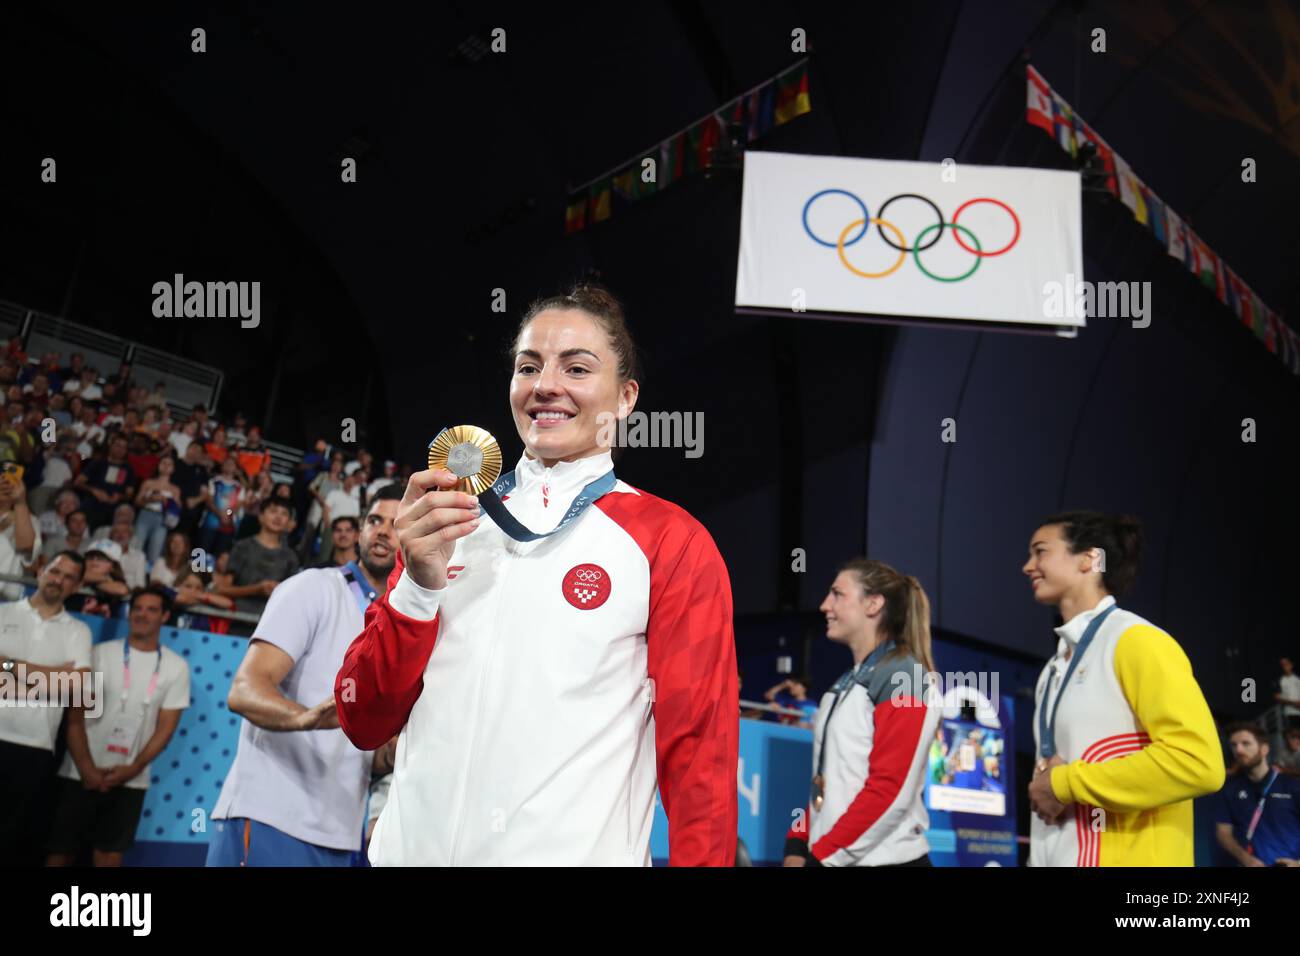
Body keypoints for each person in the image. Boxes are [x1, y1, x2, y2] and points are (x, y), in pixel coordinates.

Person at [336, 283, 738, 866]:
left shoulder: (669, 541)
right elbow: (363, 719)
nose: (546, 385)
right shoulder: (447, 521)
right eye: (529, 366)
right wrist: (417, 589)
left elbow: (700, 751)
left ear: (626, 398)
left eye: (576, 368)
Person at [207, 485, 402, 866]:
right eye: (375, 520)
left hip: (342, 835)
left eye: (397, 525)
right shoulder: (313, 587)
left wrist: (395, 751)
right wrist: (306, 717)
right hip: (269, 816)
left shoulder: (402, 624)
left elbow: (370, 755)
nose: (382, 531)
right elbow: (244, 690)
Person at [1023, 511, 1224, 866]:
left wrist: (1064, 783)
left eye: (1041, 552)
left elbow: (1198, 763)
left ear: (1090, 559)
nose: (1028, 566)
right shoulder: (1053, 669)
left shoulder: (1136, 641)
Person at [783, 559, 939, 867]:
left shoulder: (905, 676)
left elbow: (890, 792)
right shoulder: (849, 680)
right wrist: (798, 840)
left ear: (873, 604)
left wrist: (820, 857)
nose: (825, 605)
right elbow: (830, 782)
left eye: (837, 594)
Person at [46, 586, 191, 867]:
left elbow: (166, 728)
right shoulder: (98, 654)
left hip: (131, 779)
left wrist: (133, 768)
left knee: (109, 855)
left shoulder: (176, 667)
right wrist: (86, 767)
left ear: (165, 616)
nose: (142, 615)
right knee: (60, 852)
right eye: (137, 608)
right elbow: (74, 715)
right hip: (77, 772)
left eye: (151, 610)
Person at [0, 553, 93, 865]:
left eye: (68, 576)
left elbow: (76, 687)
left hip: (36, 746)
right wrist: (54, 677)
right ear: (41, 570)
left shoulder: (78, 631)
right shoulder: (4, 613)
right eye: (54, 570)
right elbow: (64, 684)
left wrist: (9, 665)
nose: (57, 579)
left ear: (77, 586)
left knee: (11, 838)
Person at [1214, 723, 1300, 866]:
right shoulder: (1230, 790)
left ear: (1264, 749)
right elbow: (1223, 833)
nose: (1238, 750)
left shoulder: (1293, 785)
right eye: (1234, 745)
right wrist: (1246, 859)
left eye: (1245, 743)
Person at [216, 498, 300, 632]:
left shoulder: (291, 557)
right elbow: (222, 589)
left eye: (284, 514)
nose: (278, 517)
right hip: (237, 621)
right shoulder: (242, 547)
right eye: (273, 511)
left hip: (271, 627)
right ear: (261, 516)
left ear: (288, 522)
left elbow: (293, 600)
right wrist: (256, 589)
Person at [0, 466, 40, 600]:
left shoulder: (29, 520)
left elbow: (26, 550)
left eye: (11, 481)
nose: (5, 485)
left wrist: (20, 502)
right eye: (2, 479)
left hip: (4, 599)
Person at [133, 455, 182, 564]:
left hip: (162, 519)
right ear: (159, 466)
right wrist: (150, 499)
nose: (166, 466)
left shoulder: (175, 489)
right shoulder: (148, 483)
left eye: (169, 464)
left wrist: (167, 502)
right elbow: (137, 501)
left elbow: (177, 509)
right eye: (163, 463)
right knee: (136, 547)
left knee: (155, 551)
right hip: (145, 514)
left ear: (173, 468)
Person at [1275, 657, 1300, 732]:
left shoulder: (1297, 677)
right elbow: (1277, 697)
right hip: (1291, 712)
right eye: (1282, 665)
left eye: (1286, 664)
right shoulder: (1279, 680)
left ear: (1291, 665)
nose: (1285, 666)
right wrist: (1294, 703)